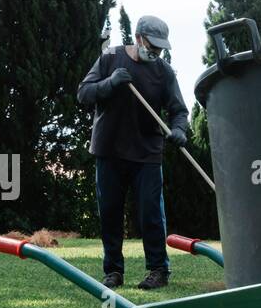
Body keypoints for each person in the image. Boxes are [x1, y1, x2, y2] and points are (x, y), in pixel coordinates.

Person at [77, 15, 189, 290]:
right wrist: (110, 83)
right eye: (152, 46)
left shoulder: (164, 72)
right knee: (110, 213)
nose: (156, 52)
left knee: (151, 214)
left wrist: (179, 130)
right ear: (138, 38)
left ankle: (159, 270)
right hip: (109, 150)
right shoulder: (110, 58)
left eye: (160, 49)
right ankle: (113, 271)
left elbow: (179, 111)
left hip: (147, 152)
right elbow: (83, 93)